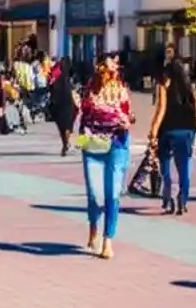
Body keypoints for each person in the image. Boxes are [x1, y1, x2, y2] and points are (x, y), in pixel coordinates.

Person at [79, 53, 133, 259]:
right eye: (108, 68)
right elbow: (83, 117)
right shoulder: (89, 89)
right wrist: (81, 143)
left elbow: (129, 114)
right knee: (95, 195)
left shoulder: (122, 90)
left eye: (114, 69)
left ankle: (107, 241)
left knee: (112, 194)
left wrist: (128, 123)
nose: (111, 73)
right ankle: (93, 225)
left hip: (118, 143)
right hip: (92, 143)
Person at [147, 59, 196, 215]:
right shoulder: (189, 86)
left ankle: (168, 194)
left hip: (168, 129)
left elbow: (161, 108)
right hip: (187, 128)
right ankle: (183, 199)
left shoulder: (164, 86)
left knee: (165, 164)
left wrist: (153, 130)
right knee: (184, 165)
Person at [48, 57, 79, 157]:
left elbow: (50, 85)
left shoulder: (56, 73)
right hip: (68, 103)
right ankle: (67, 143)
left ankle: (65, 144)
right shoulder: (69, 76)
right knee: (68, 126)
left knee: (62, 127)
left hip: (58, 103)